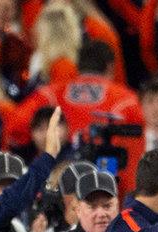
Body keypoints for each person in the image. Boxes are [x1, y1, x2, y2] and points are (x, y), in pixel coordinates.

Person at [8, 41, 142, 156]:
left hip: (57, 171)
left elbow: (15, 129)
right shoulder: (128, 99)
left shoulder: (51, 94)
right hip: (109, 174)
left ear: (77, 65)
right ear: (110, 66)